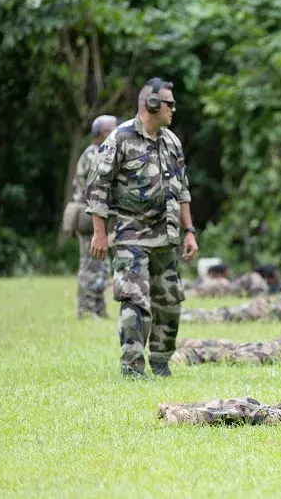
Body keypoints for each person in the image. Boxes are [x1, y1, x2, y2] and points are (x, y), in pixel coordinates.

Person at [86, 77, 199, 378]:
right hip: (130, 235)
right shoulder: (120, 138)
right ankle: (133, 368)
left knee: (170, 302)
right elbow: (98, 186)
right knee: (134, 301)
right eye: (169, 103)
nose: (173, 109)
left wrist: (189, 232)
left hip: (167, 236)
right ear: (151, 104)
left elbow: (183, 190)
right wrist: (99, 233)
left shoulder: (171, 141)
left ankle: (161, 363)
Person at [72, 115, 116, 319]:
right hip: (88, 213)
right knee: (90, 263)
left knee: (101, 264)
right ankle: (86, 309)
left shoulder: (99, 153)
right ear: (105, 133)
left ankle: (98, 307)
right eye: (113, 129)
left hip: (95, 212)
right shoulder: (93, 155)